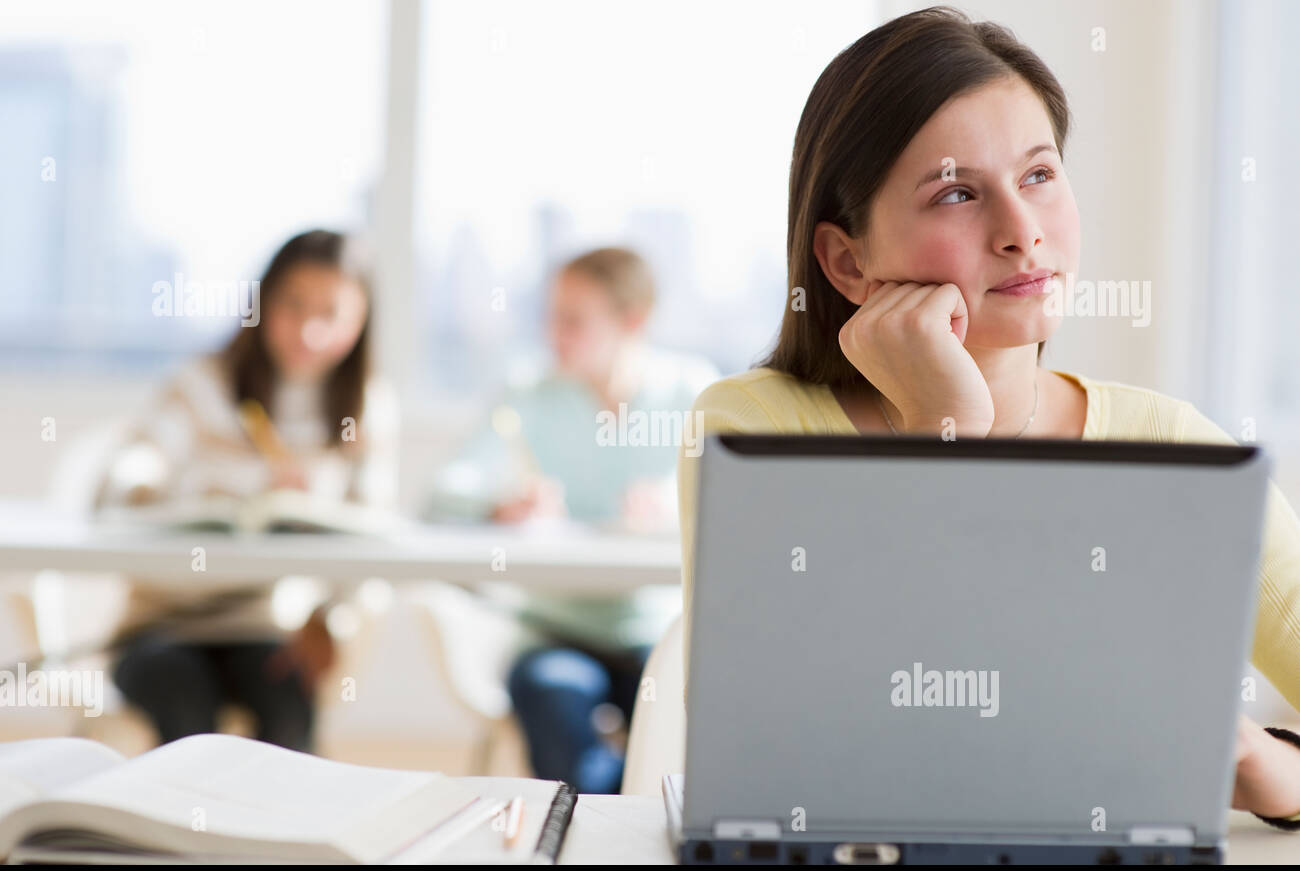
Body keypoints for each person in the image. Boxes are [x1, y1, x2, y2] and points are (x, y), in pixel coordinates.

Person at [676, 6, 1300, 829]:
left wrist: (1267, 767)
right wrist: (946, 428)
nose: (1022, 233)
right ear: (846, 260)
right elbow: (821, 735)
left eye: (1039, 176)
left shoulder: (1171, 445)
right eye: (957, 193)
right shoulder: (752, 429)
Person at [426, 247, 716, 792]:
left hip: (660, 631)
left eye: (573, 319)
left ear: (633, 320)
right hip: (554, 629)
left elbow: (739, 502)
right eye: (551, 315)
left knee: (689, 742)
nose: (553, 332)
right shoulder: (529, 393)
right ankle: (603, 831)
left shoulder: (691, 392)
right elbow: (443, 495)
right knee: (553, 704)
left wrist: (681, 499)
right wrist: (500, 504)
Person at [97, 229, 398, 752]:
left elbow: (371, 537)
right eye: (293, 305)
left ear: (362, 321)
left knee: (287, 703)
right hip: (160, 624)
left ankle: (278, 834)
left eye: (332, 314)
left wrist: (331, 619)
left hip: (264, 629)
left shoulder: (365, 408)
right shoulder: (200, 383)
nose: (308, 329)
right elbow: (120, 485)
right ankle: (186, 835)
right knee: (184, 696)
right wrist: (219, 492)